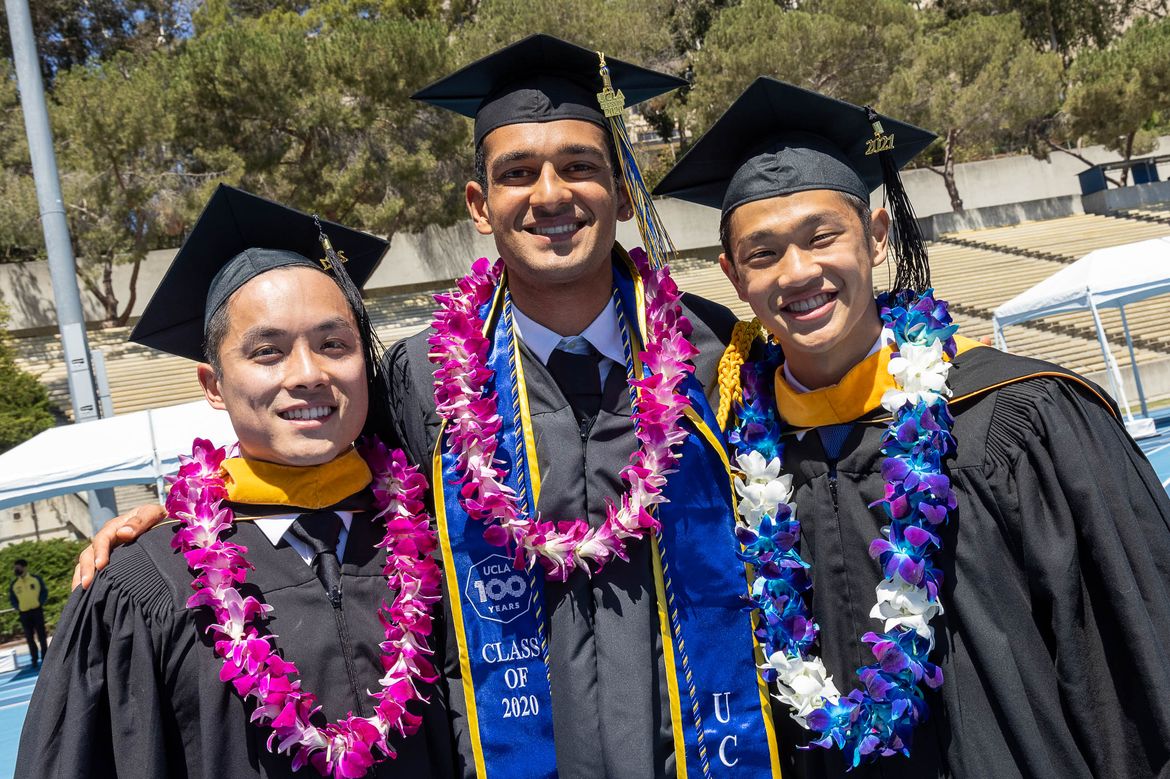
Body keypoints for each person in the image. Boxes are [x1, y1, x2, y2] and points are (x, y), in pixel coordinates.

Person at [75, 36, 785, 778]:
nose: (551, 194)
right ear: (480, 204)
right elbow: (330, 480)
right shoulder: (424, 377)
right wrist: (192, 511)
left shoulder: (719, 352)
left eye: (580, 166)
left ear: (624, 190)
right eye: (517, 173)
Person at [654, 76, 1170, 777]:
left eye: (821, 235)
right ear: (734, 277)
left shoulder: (1012, 419)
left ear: (874, 235)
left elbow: (1135, 658)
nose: (798, 271)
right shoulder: (739, 467)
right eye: (764, 252)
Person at [18, 186, 454, 778]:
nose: (308, 374)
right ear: (213, 384)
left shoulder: (444, 540)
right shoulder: (144, 588)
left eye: (334, 344)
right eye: (268, 352)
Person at [9, 559, 48, 668]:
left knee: (42, 636)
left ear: (24, 567)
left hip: (37, 611)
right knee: (29, 638)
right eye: (15, 568)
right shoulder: (15, 584)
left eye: (18, 567)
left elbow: (44, 592)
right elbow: (12, 599)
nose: (17, 570)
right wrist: (18, 607)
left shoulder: (35, 579)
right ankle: (34, 660)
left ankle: (46, 658)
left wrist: (39, 602)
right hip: (24, 614)